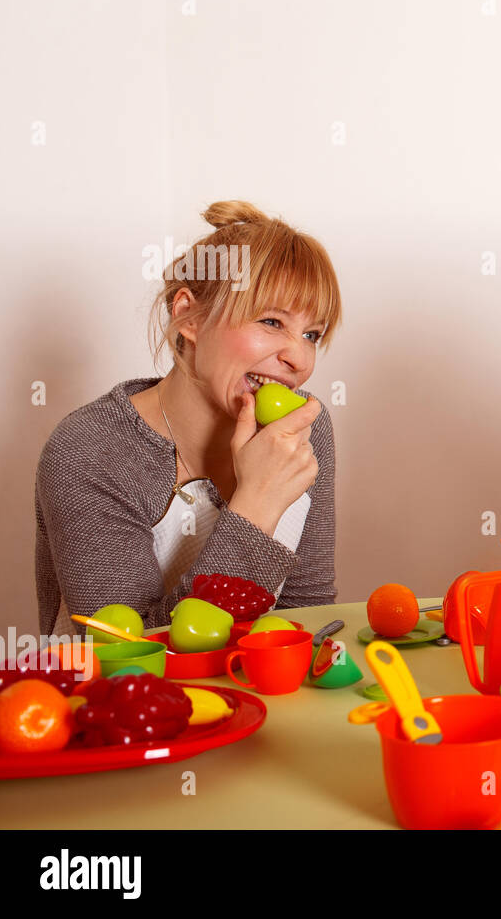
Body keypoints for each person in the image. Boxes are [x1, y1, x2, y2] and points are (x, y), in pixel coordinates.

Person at [35, 200, 342, 632]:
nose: (299, 358)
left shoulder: (305, 430)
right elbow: (130, 652)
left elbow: (307, 616)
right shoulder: (90, 450)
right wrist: (257, 504)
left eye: (312, 334)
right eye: (272, 322)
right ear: (188, 317)